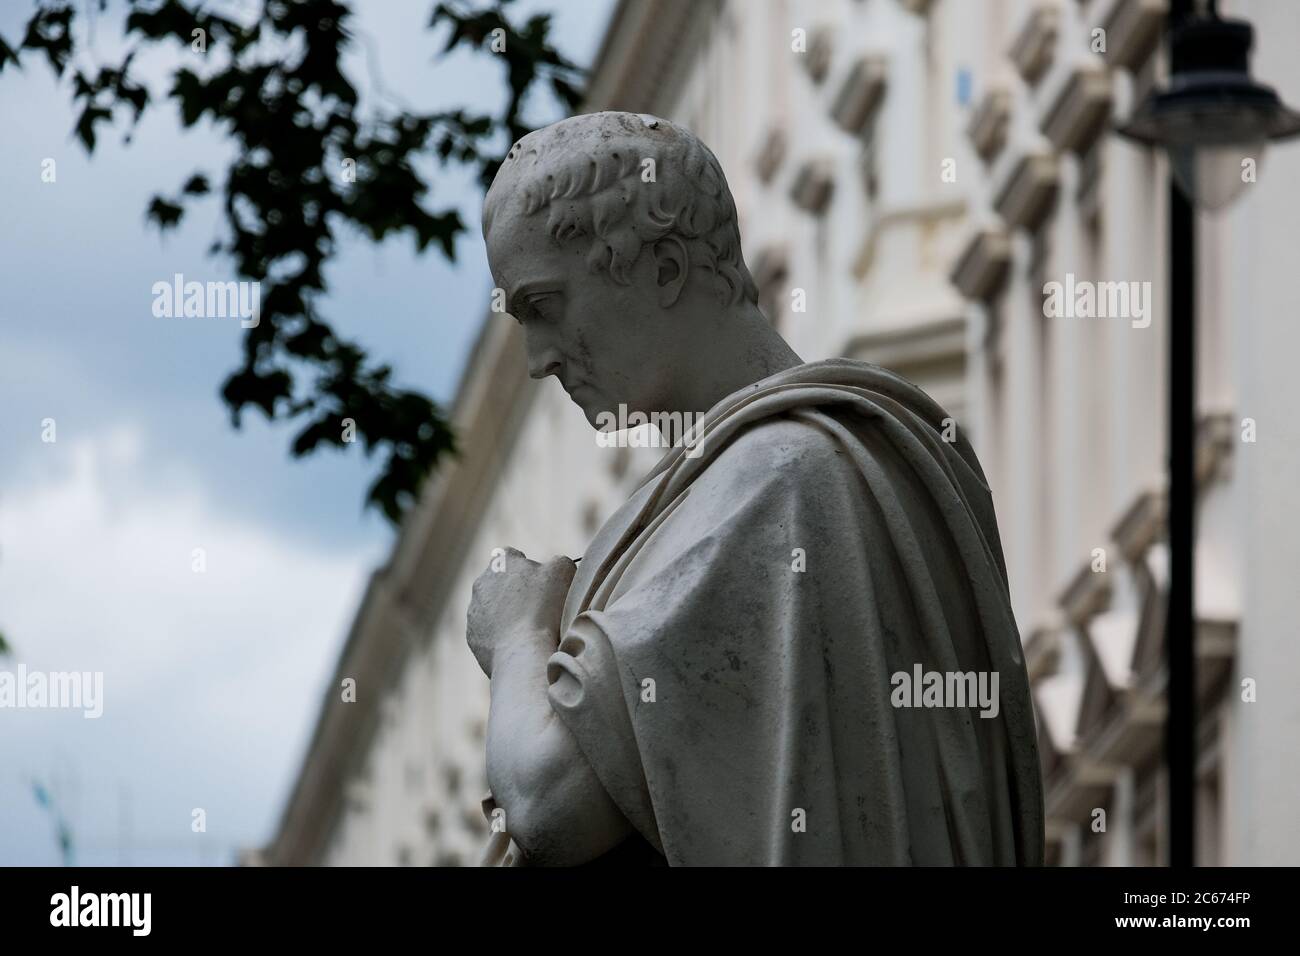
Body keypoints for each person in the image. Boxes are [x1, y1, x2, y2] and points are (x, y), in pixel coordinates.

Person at [468, 110, 1043, 866]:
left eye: (543, 307)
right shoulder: (781, 470)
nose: (539, 360)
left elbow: (547, 803)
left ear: (665, 269)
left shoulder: (774, 480)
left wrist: (514, 636)